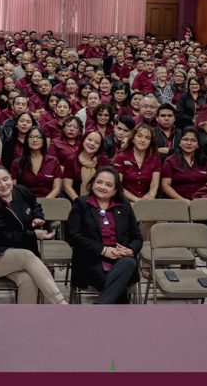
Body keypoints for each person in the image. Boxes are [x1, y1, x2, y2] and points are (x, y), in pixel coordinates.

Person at [0, 166, 67, 305]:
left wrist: (37, 217)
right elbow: (4, 236)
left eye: (5, 179)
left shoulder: (20, 190)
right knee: (26, 255)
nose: (3, 185)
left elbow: (35, 205)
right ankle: (60, 303)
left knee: (27, 279)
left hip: (18, 257)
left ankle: (24, 320)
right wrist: (33, 235)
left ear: (11, 177)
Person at [66, 167, 142, 304]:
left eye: (108, 185)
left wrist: (130, 250)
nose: (102, 187)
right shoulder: (81, 204)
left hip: (121, 260)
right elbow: (72, 236)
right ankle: (106, 309)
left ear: (115, 190)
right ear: (93, 183)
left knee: (129, 262)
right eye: (99, 182)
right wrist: (104, 250)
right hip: (91, 261)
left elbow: (137, 238)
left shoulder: (124, 206)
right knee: (118, 284)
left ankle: (100, 308)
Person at [160, 127, 207, 206]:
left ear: (197, 145)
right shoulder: (170, 161)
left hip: (202, 201)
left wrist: (202, 199)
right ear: (180, 143)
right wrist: (182, 200)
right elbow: (165, 185)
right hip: (177, 202)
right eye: (185, 139)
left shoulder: (206, 161)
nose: (189, 143)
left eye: (193, 140)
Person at [113, 124, 162, 202]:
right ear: (133, 138)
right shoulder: (121, 157)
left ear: (150, 142)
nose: (143, 140)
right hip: (125, 201)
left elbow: (154, 185)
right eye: (139, 136)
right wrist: (137, 200)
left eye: (147, 138)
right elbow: (118, 185)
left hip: (147, 202)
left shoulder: (155, 158)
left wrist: (151, 195)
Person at [11, 126, 63, 199]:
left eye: (38, 137)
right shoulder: (17, 162)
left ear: (43, 140)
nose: (35, 140)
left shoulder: (53, 161)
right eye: (31, 137)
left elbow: (56, 189)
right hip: (25, 202)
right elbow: (14, 188)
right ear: (26, 140)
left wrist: (44, 202)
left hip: (48, 201)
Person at [62, 131, 110, 201]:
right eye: (89, 140)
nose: (92, 144)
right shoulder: (72, 159)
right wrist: (80, 203)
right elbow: (67, 186)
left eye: (97, 142)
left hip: (99, 201)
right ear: (83, 140)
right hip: (75, 201)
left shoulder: (104, 161)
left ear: (100, 146)